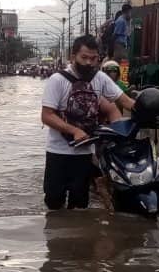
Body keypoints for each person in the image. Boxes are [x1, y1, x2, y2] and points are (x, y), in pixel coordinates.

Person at [41, 35, 136, 210]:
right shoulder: (57, 80)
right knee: (54, 204)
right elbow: (47, 116)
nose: (89, 63)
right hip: (58, 153)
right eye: (84, 57)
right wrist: (74, 131)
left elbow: (125, 101)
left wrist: (149, 109)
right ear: (73, 56)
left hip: (84, 154)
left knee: (80, 207)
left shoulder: (100, 78)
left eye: (93, 58)